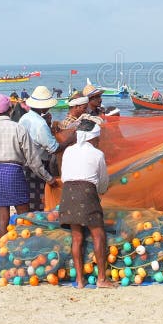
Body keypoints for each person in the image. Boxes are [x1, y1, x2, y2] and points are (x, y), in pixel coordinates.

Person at [0, 93, 57, 237]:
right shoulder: (18, 129)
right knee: (24, 215)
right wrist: (48, 177)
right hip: (14, 173)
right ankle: (25, 244)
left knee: (3, 219)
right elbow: (33, 159)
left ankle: (2, 250)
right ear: (10, 110)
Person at [59, 119, 114, 288]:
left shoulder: (68, 151)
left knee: (77, 237)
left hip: (67, 194)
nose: (99, 142)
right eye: (97, 139)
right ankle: (102, 279)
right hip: (86, 192)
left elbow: (63, 176)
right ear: (92, 138)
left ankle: (79, 280)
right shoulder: (97, 154)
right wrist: (101, 191)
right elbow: (103, 182)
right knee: (98, 234)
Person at [19, 86, 73, 211]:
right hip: (38, 166)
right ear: (44, 106)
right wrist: (70, 139)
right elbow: (54, 148)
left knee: (29, 200)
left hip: (24, 164)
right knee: (39, 201)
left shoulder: (25, 118)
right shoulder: (40, 124)